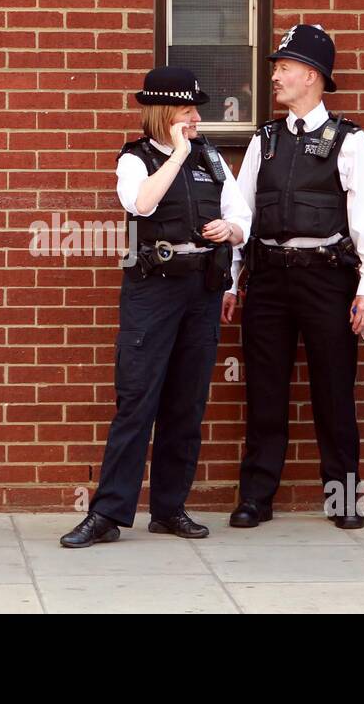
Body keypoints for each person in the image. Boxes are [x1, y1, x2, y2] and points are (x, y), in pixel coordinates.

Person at [61, 66, 251, 548]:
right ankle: (107, 514)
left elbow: (240, 214)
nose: (195, 118)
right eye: (187, 110)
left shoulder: (210, 158)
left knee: (186, 405)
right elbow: (141, 204)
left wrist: (231, 232)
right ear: (165, 113)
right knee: (136, 401)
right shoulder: (135, 158)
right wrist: (178, 154)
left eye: (195, 111)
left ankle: (170, 509)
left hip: (202, 291)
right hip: (154, 291)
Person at [225, 24, 364, 531]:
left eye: (285, 68)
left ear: (313, 77)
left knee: (335, 392)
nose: (276, 76)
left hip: (327, 281)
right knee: (265, 391)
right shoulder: (264, 141)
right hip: (270, 278)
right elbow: (242, 214)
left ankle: (342, 497)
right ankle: (256, 496)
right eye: (277, 68)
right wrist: (233, 282)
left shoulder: (349, 141)